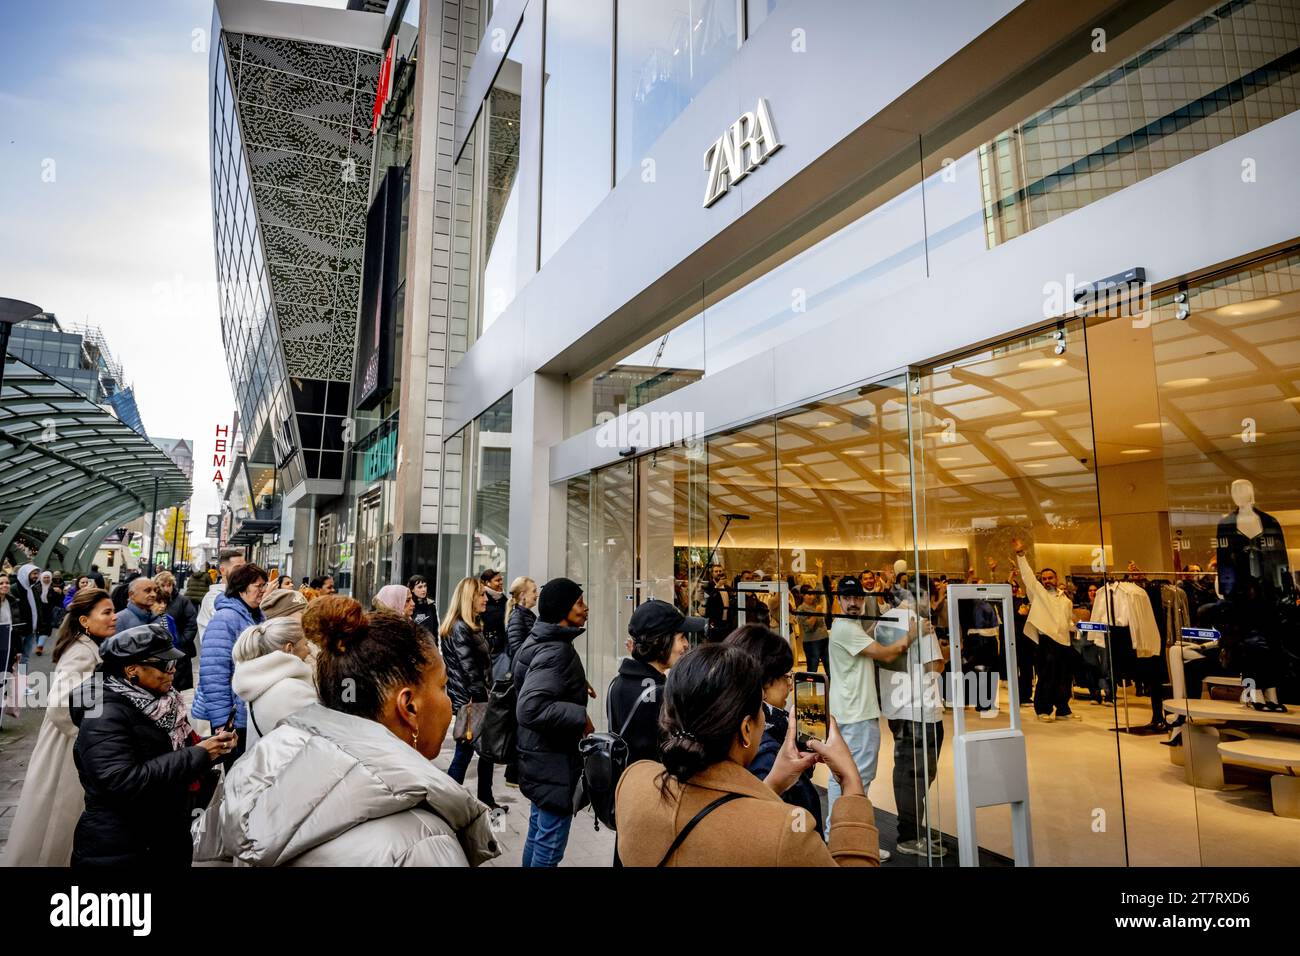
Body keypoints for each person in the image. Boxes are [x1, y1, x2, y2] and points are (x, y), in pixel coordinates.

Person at [193, 596, 499, 867]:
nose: (447, 700)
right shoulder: (422, 845)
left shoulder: (264, 763)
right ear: (408, 706)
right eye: (442, 686)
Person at [615, 643, 880, 867]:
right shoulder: (787, 835)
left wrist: (773, 784)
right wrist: (851, 784)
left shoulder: (633, 784)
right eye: (761, 711)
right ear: (745, 729)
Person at [70, 623, 238, 866]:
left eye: (174, 663)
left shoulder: (162, 703)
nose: (173, 670)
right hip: (123, 844)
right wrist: (199, 754)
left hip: (162, 833)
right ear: (131, 670)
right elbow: (120, 779)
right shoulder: (104, 714)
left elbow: (172, 750)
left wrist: (213, 747)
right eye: (164, 665)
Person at [1, 588, 116, 866]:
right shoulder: (81, 652)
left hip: (73, 742)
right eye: (107, 612)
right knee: (57, 816)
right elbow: (59, 705)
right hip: (67, 748)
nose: (114, 617)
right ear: (85, 620)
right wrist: (90, 737)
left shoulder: (88, 647)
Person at [827, 574, 915, 860]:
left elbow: (868, 639)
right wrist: (915, 632)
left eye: (857, 597)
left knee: (840, 779)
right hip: (857, 716)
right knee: (857, 781)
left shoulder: (849, 627)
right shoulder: (845, 629)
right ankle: (854, 843)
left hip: (847, 714)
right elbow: (890, 654)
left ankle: (836, 838)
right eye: (848, 597)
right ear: (838, 599)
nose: (853, 602)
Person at [512, 577, 593, 867]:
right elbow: (530, 708)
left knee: (538, 833)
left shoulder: (540, 639)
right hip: (553, 763)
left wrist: (575, 683)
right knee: (549, 846)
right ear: (563, 610)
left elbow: (536, 679)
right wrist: (579, 715)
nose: (585, 609)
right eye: (579, 603)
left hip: (538, 757)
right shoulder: (556, 651)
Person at [724, 624, 825, 834]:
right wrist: (850, 781)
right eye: (786, 677)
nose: (790, 686)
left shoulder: (722, 729)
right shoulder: (767, 753)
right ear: (762, 686)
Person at [879, 574, 947, 856]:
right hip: (921, 711)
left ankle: (911, 830)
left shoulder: (885, 620)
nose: (931, 604)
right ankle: (909, 836)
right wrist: (949, 651)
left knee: (908, 772)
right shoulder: (920, 626)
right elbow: (935, 667)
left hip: (898, 709)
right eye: (930, 597)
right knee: (916, 775)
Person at [192, 563, 268, 764]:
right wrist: (222, 721)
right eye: (258, 586)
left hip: (246, 710)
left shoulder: (256, 615)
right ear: (241, 588)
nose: (263, 590)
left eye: (264, 585)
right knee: (235, 770)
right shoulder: (226, 619)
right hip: (232, 715)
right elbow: (214, 674)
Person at [610, 598, 701, 764]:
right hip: (655, 785)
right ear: (661, 642)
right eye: (681, 638)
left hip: (626, 783)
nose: (687, 644)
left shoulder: (617, 683)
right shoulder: (660, 692)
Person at [438, 576, 500, 810]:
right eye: (481, 595)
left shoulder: (467, 625)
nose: (486, 598)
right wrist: (484, 698)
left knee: (485, 752)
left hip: (472, 698)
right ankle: (450, 804)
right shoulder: (460, 628)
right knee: (465, 753)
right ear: (468, 598)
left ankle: (485, 799)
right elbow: (469, 669)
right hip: (472, 700)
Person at [1012, 538, 1080, 722]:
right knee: (1046, 676)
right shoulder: (1038, 594)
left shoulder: (1065, 600)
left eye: (1050, 578)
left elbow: (1067, 621)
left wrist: (1075, 628)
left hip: (1064, 642)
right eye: (1044, 578)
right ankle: (1043, 709)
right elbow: (1027, 577)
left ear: (1056, 578)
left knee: (1064, 678)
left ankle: (1063, 709)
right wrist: (1021, 555)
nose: (1047, 581)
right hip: (1046, 643)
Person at [231, 615, 317, 748]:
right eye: (305, 644)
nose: (309, 649)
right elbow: (323, 739)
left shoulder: (262, 682)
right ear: (289, 648)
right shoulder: (292, 689)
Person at [153, 571, 198, 694]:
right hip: (161, 653)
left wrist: (183, 640)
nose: (167, 588)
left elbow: (191, 623)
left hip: (179, 650)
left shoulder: (182, 601)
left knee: (176, 685)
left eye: (169, 585)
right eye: (163, 585)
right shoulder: (153, 601)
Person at [479, 568, 508, 672]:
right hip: (488, 646)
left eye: (501, 579)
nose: (501, 583)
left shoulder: (503, 599)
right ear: (487, 583)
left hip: (502, 646)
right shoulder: (482, 599)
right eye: (497, 580)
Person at [797, 584, 829, 674]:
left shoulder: (816, 604)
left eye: (813, 594)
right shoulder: (801, 609)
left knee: (829, 667)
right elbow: (807, 627)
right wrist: (816, 613)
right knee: (812, 670)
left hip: (825, 639)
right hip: (812, 642)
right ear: (803, 595)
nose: (812, 596)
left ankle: (831, 687)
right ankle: (811, 688)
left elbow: (820, 586)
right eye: (809, 594)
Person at [14, 563, 41, 663]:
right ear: (25, 574)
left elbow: (37, 609)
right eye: (34, 573)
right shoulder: (14, 589)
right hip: (19, 632)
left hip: (31, 630)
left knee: (25, 658)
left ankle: (22, 678)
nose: (36, 576)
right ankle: (10, 678)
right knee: (15, 658)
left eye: (37, 574)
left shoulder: (33, 588)